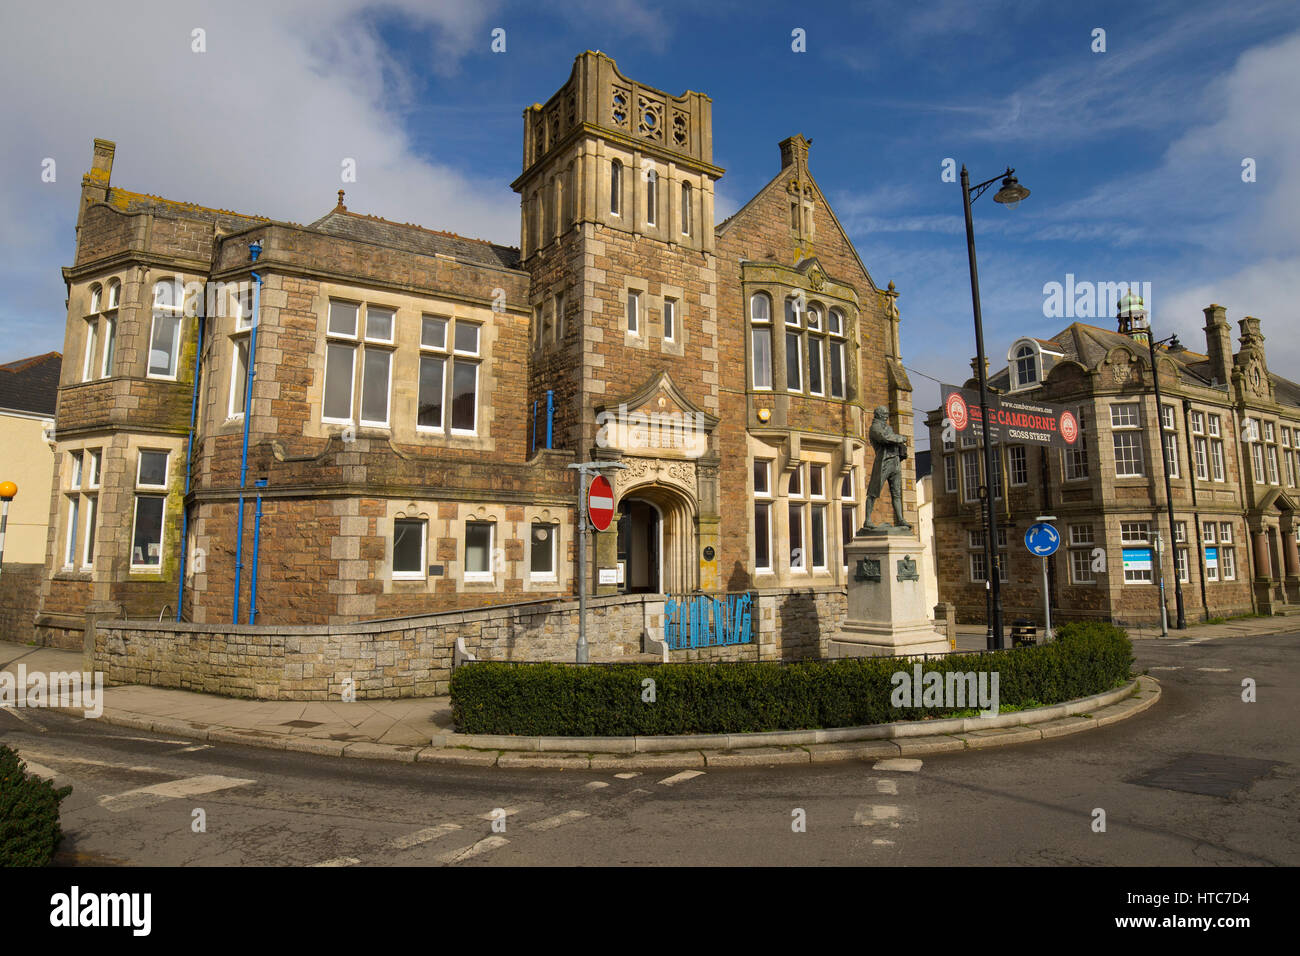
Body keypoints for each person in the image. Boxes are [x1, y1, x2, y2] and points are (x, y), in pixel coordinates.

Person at [860, 406, 911, 532]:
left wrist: (897, 440)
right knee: (873, 491)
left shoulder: (888, 427)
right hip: (884, 461)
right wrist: (900, 438)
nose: (886, 416)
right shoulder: (875, 427)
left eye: (887, 414)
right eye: (884, 414)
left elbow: (891, 437)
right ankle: (868, 520)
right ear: (878, 414)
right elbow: (885, 438)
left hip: (895, 461)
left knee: (897, 492)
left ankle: (900, 519)